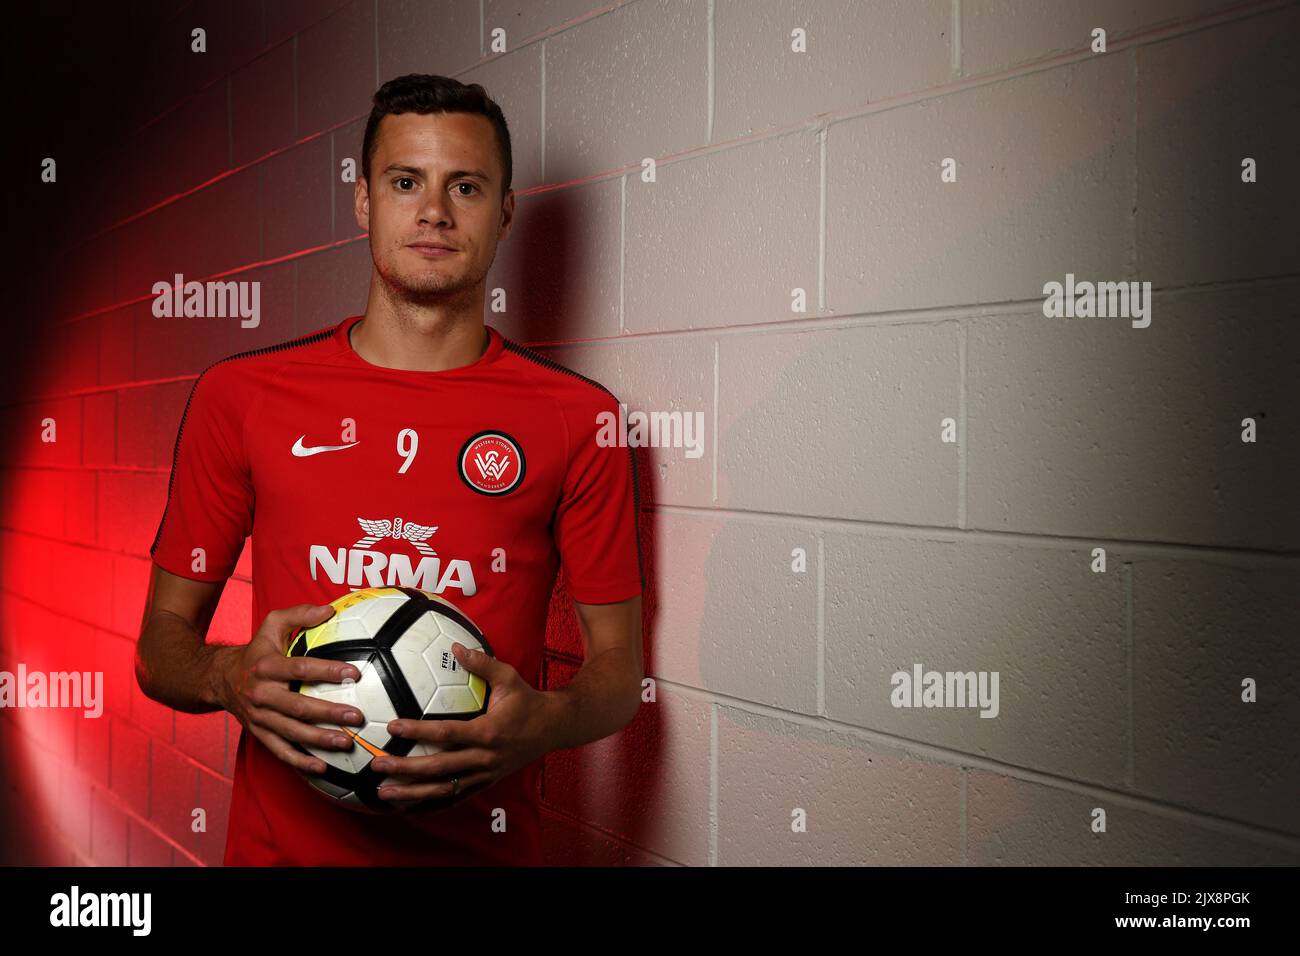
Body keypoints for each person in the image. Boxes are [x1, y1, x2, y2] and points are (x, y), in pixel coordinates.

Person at [135, 74, 645, 866]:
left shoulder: (580, 420)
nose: (434, 211)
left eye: (466, 186)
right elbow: (159, 648)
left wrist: (542, 722)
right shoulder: (241, 396)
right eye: (405, 181)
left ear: (505, 212)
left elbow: (619, 673)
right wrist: (228, 675)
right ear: (365, 202)